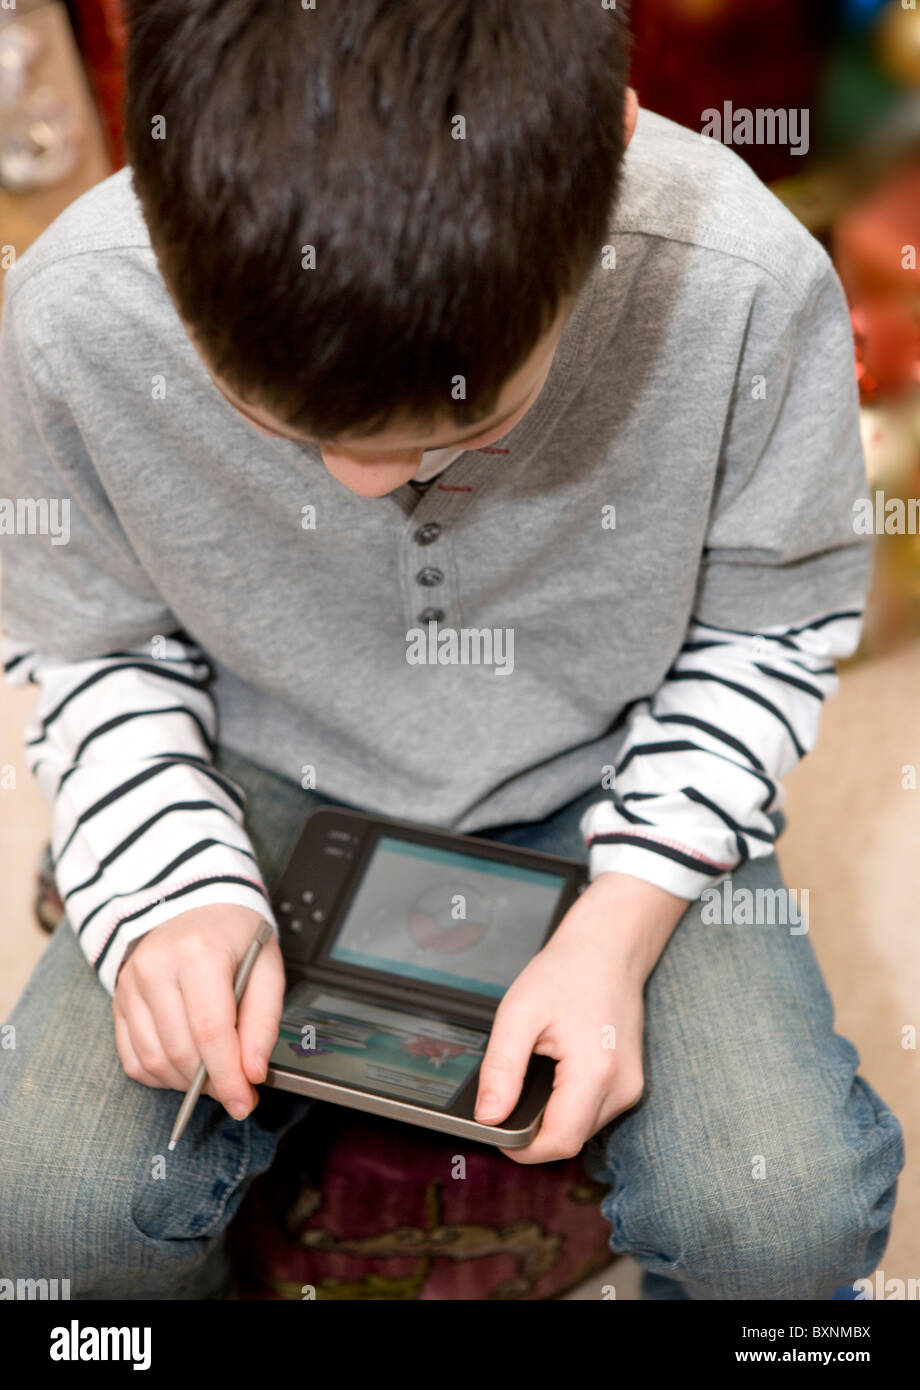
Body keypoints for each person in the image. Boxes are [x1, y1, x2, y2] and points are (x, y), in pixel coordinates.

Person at [0, 0, 904, 1300]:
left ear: (610, 149)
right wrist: (168, 889)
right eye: (274, 421)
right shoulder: (78, 309)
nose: (365, 488)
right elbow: (90, 646)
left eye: (458, 433)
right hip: (253, 757)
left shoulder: (747, 284)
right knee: (45, 1214)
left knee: (785, 1219)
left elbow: (769, 632)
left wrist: (625, 919)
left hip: (617, 763)